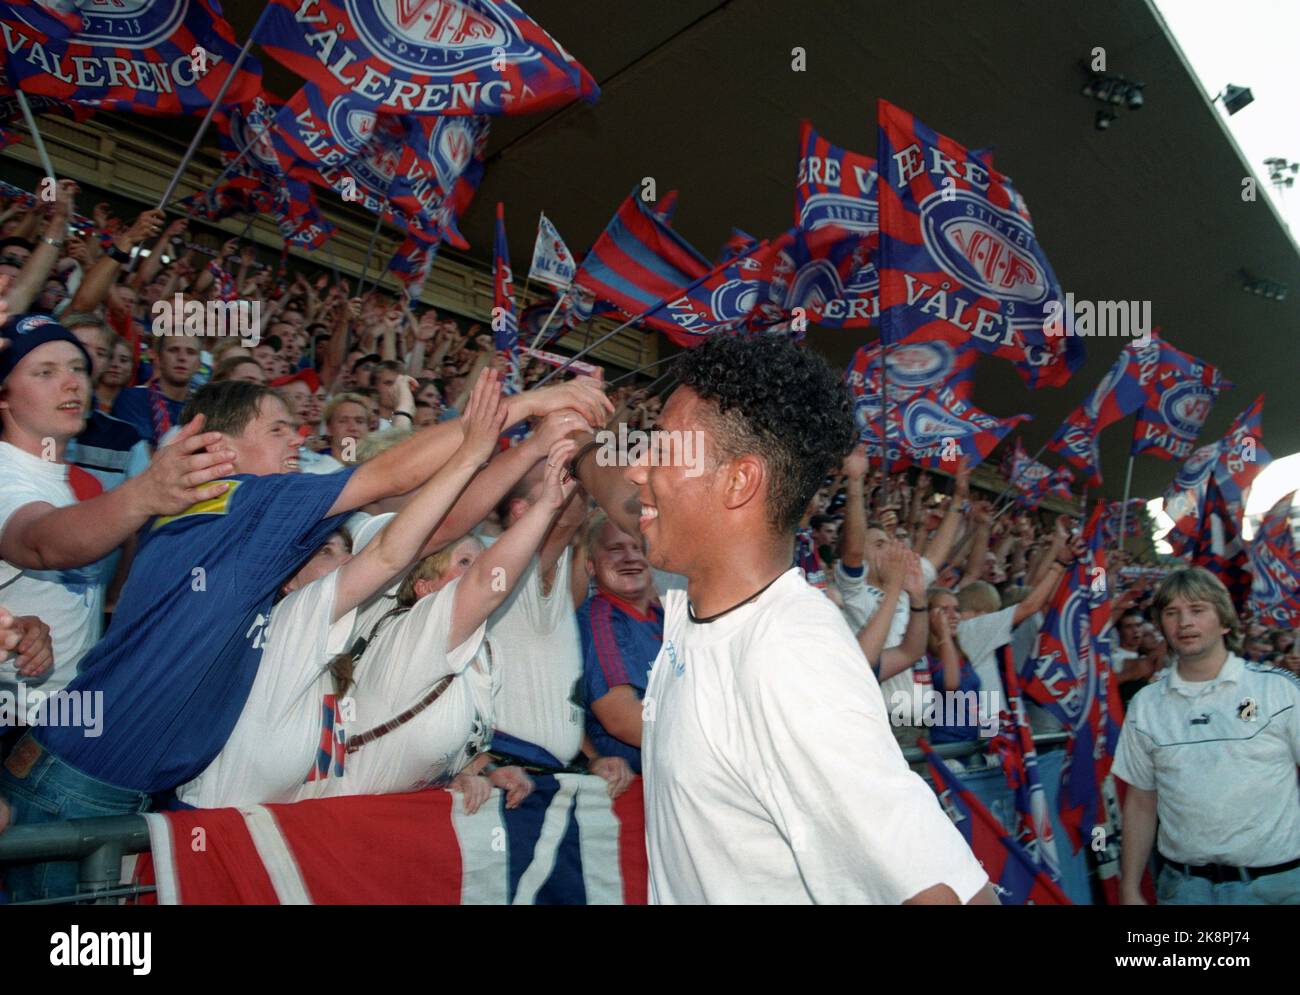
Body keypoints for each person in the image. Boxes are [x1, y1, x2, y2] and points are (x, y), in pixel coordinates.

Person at [0, 369, 610, 901]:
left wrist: (525, 448)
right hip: (79, 787)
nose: (298, 439)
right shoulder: (235, 504)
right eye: (277, 429)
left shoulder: (254, 531)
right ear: (218, 447)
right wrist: (525, 411)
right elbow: (389, 483)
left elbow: (435, 526)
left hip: (113, 791)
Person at [570, 334, 996, 904]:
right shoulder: (711, 599)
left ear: (739, 481)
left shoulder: (791, 661)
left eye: (664, 450)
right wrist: (576, 442)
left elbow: (950, 894)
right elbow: (620, 491)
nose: (641, 467)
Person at [176, 370, 515, 808]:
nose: (296, 439)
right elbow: (425, 534)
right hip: (220, 827)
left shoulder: (334, 601)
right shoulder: (305, 598)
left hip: (304, 820)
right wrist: (482, 448)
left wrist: (462, 771)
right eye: (277, 430)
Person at [1114, 567, 1300, 905]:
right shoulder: (1146, 705)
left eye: (1197, 610)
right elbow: (1141, 802)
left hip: (1280, 886)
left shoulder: (1280, 691)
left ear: (1224, 621)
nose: (1184, 622)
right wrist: (1129, 887)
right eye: (1172, 613)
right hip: (1185, 889)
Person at [576, 511, 663, 775]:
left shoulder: (664, 616)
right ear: (591, 565)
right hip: (638, 786)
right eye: (615, 549)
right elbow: (620, 718)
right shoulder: (601, 618)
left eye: (637, 548)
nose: (630, 557)